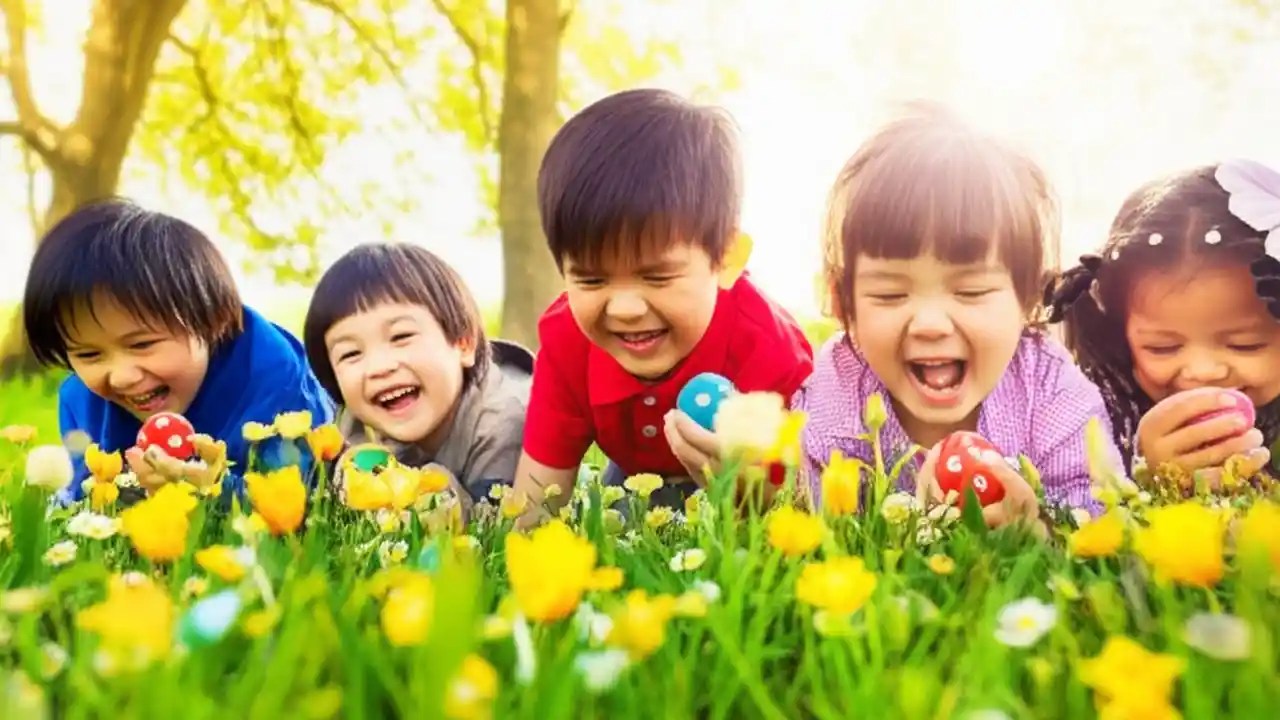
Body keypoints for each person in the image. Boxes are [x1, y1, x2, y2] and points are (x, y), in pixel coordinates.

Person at [793, 103, 1117, 526]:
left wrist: (1040, 535)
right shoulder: (838, 390)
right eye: (890, 294)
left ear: (1028, 299)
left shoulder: (1051, 392)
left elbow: (1101, 519)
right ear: (842, 304)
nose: (929, 324)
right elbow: (819, 522)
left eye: (971, 290)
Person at [512, 88, 814, 517]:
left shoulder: (768, 347)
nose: (625, 308)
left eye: (657, 276)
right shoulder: (566, 340)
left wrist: (750, 492)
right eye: (591, 278)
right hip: (630, 477)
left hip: (740, 491)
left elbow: (802, 503)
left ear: (725, 258)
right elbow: (536, 499)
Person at [23, 198, 333, 505]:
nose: (121, 377)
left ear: (211, 320)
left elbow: (298, 500)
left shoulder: (279, 386)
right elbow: (87, 501)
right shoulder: (82, 398)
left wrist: (206, 489)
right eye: (89, 355)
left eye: (142, 345)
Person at [1048, 159, 1280, 487]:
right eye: (1163, 347)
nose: (1203, 371)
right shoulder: (1093, 414)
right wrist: (1146, 474)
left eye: (1245, 344)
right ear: (1121, 334)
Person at [303, 243, 531, 506]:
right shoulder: (356, 420)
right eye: (351, 354)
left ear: (463, 343)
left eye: (401, 336)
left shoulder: (505, 423)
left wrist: (424, 488)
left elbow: (498, 531)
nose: (379, 367)